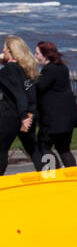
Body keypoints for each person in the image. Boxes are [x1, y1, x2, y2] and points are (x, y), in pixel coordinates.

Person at [32, 41, 77, 167]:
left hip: (54, 120)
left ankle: (54, 174)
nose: (35, 56)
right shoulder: (62, 68)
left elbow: (37, 87)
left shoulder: (50, 70)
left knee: (43, 146)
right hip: (66, 118)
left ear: (45, 55)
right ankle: (72, 176)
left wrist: (27, 78)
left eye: (37, 53)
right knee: (63, 148)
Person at [0, 35, 36, 176]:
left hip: (11, 116)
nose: (2, 49)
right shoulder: (22, 68)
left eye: (4, 47)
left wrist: (24, 116)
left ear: (11, 51)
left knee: (1, 149)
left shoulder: (10, 70)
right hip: (24, 114)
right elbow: (28, 93)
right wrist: (29, 113)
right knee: (34, 148)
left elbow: (18, 94)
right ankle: (50, 175)